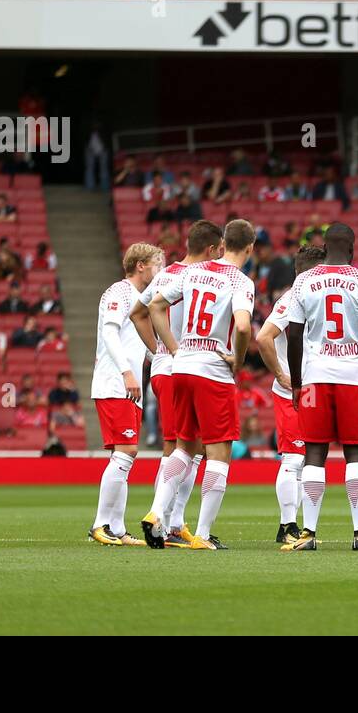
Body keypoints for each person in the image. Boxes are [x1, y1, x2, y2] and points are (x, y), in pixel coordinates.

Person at [144, 221, 256, 550]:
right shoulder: (241, 280)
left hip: (181, 366)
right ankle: (203, 535)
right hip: (212, 368)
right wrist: (237, 358)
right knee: (218, 453)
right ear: (248, 248)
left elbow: (154, 306)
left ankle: (155, 513)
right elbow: (245, 326)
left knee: (183, 446)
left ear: (224, 245)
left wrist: (174, 348)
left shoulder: (194, 271)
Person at [280, 223, 358, 552]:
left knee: (314, 453)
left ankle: (308, 534)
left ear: (325, 248)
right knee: (356, 453)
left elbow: (294, 336)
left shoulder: (304, 281)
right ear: (353, 249)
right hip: (354, 377)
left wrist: (297, 383)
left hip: (315, 375)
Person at [127, 220, 223, 548]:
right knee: (177, 448)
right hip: (184, 367)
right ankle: (164, 521)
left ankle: (173, 520)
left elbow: (139, 313)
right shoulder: (198, 277)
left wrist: (157, 351)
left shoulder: (167, 275)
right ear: (211, 248)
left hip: (166, 367)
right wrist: (171, 348)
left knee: (187, 448)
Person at [87, 242, 164, 548]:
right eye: (157, 264)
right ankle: (100, 523)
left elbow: (142, 345)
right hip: (115, 383)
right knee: (127, 450)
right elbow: (109, 332)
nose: (159, 270)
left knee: (124, 455)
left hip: (129, 387)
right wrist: (127, 372)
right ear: (141, 265)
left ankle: (117, 527)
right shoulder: (119, 292)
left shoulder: (142, 299)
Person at [253, 244, 326, 546]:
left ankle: (297, 526)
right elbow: (264, 337)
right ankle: (287, 525)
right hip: (296, 389)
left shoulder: (313, 296)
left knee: (307, 459)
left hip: (316, 385)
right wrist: (283, 375)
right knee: (294, 459)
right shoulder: (293, 297)